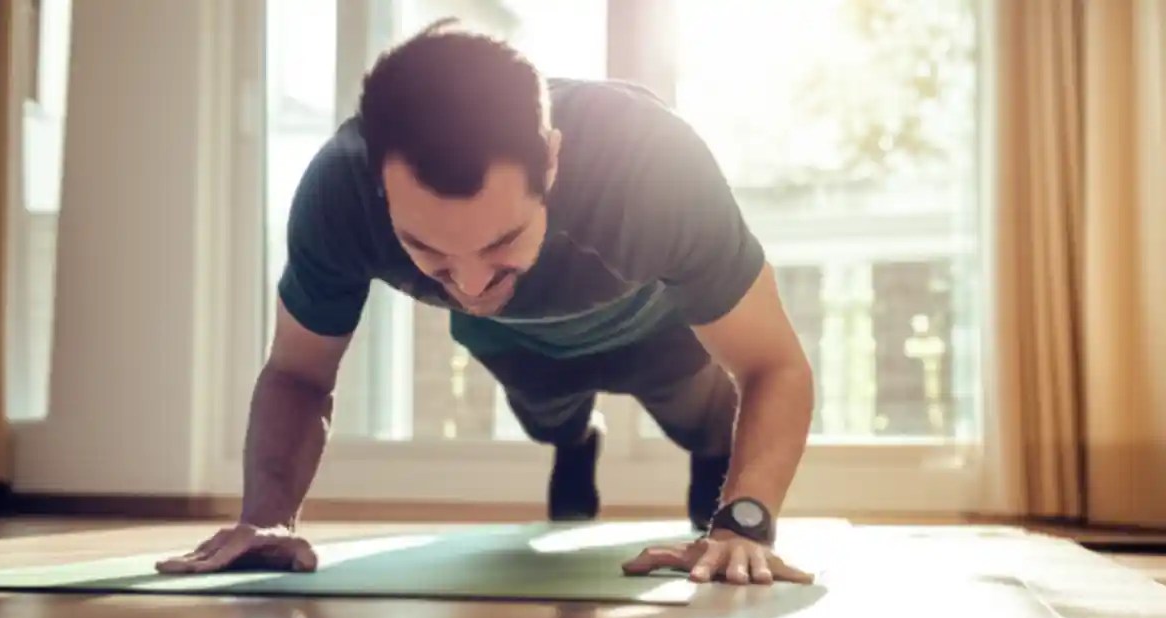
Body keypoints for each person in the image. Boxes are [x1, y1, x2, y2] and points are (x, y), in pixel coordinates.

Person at [157, 22, 815, 585]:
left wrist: (745, 526)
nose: (469, 286)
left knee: (700, 425)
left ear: (553, 160)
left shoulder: (651, 164)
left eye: (500, 242)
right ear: (377, 182)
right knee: (550, 423)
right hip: (515, 340)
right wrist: (267, 520)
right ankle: (576, 441)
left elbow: (772, 366)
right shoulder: (338, 193)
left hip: (657, 329)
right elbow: (299, 373)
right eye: (430, 251)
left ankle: (710, 493)